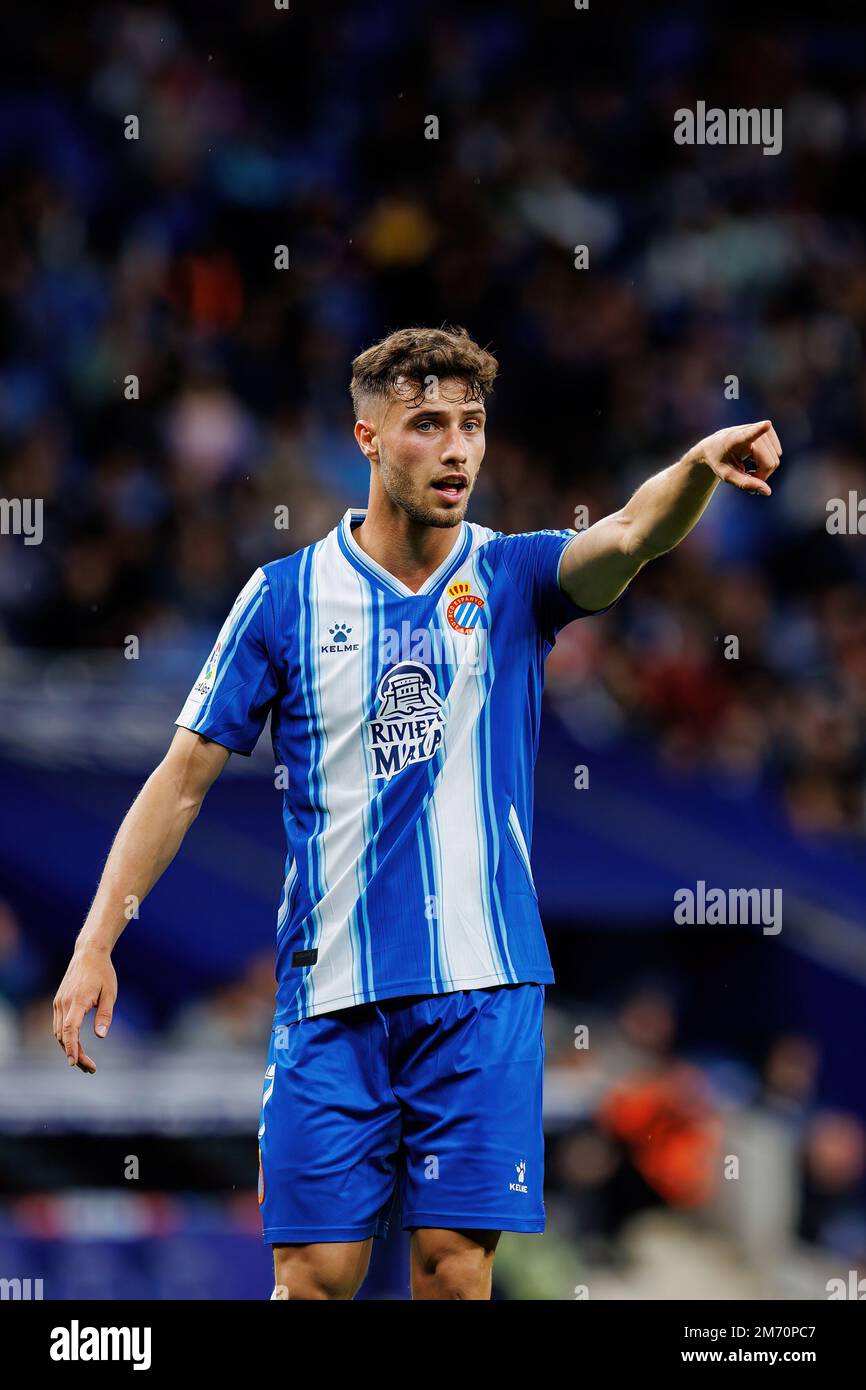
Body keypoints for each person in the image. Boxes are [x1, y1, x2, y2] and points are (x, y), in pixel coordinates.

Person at [53, 324, 782, 1300]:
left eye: (471, 425)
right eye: (426, 423)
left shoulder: (514, 575)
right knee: (312, 1277)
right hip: (330, 990)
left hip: (480, 988)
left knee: (451, 1272)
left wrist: (693, 466)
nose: (455, 449)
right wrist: (98, 938)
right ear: (365, 437)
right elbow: (182, 776)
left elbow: (623, 535)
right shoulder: (283, 600)